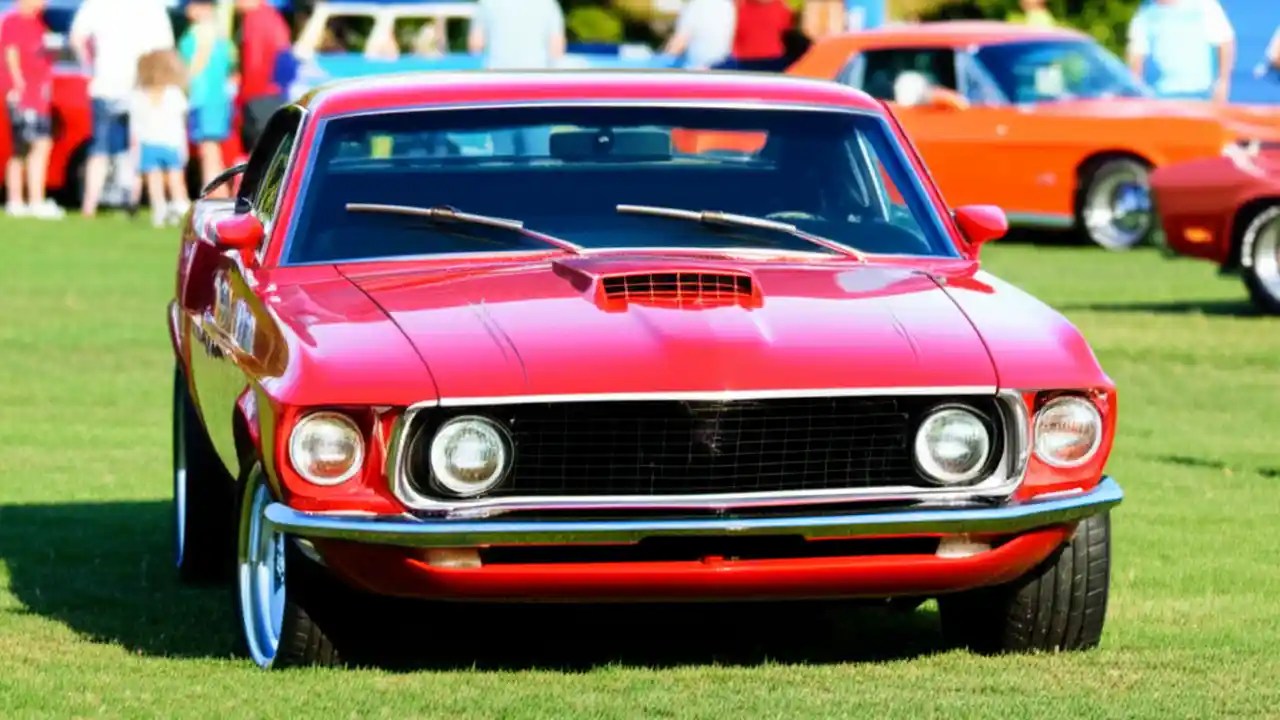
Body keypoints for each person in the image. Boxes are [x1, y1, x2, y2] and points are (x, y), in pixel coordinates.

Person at [70, 0, 174, 216]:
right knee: (135, 148)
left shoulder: (96, 5)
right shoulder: (152, 7)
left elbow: (76, 38)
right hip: (138, 88)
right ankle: (131, 202)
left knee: (99, 150)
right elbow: (165, 49)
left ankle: (89, 206)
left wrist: (88, 66)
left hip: (104, 84)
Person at [468, 0, 565, 156]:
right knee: (538, 154)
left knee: (502, 153)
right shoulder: (547, 4)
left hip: (499, 89)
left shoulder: (488, 3)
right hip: (536, 89)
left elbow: (475, 45)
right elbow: (556, 50)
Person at [2, 0, 63, 219]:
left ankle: (22, 200)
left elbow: (46, 56)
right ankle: (28, 200)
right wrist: (18, 84)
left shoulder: (40, 24)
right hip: (24, 96)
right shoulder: (13, 21)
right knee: (34, 145)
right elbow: (11, 53)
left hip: (39, 96)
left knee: (27, 148)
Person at [1126, 0, 1235, 102]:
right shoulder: (1145, 15)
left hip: (1200, 94)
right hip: (1162, 97)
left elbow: (1225, 41)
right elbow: (1136, 55)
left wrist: (1223, 82)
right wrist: (1135, 93)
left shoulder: (1203, 4)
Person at [179, 0, 233, 198]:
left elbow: (189, 68)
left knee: (208, 149)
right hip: (218, 99)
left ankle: (214, 191)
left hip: (202, 99)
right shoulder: (221, 35)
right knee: (212, 149)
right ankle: (219, 190)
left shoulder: (198, 34)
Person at [129, 49, 189, 227]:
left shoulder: (139, 95)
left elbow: (136, 126)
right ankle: (180, 205)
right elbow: (181, 121)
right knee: (175, 179)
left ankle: (159, 209)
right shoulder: (175, 94)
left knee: (154, 180)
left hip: (149, 143)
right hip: (171, 142)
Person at [236, 0, 292, 153]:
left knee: (260, 150)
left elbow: (254, 62)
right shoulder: (273, 16)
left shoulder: (254, 20)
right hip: (276, 92)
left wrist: (244, 96)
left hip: (259, 94)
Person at [662, 0, 736, 71]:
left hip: (699, 72)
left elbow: (678, 44)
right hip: (729, 71)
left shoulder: (696, 5)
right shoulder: (733, 5)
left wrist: (662, 64)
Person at [731, 0, 794, 73]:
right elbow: (785, 27)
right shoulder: (781, 6)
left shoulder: (737, 5)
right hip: (772, 59)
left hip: (745, 59)